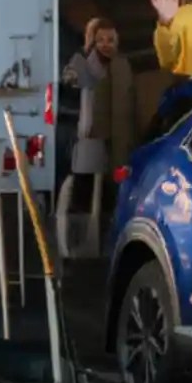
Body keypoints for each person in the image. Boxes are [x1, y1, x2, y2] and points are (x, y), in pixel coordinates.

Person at [57, 17, 135, 257]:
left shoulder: (122, 65)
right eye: (100, 39)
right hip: (90, 139)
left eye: (110, 40)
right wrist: (85, 51)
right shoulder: (86, 63)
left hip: (117, 141)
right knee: (83, 192)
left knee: (111, 195)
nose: (105, 44)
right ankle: (77, 247)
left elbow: (129, 106)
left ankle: (106, 246)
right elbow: (69, 79)